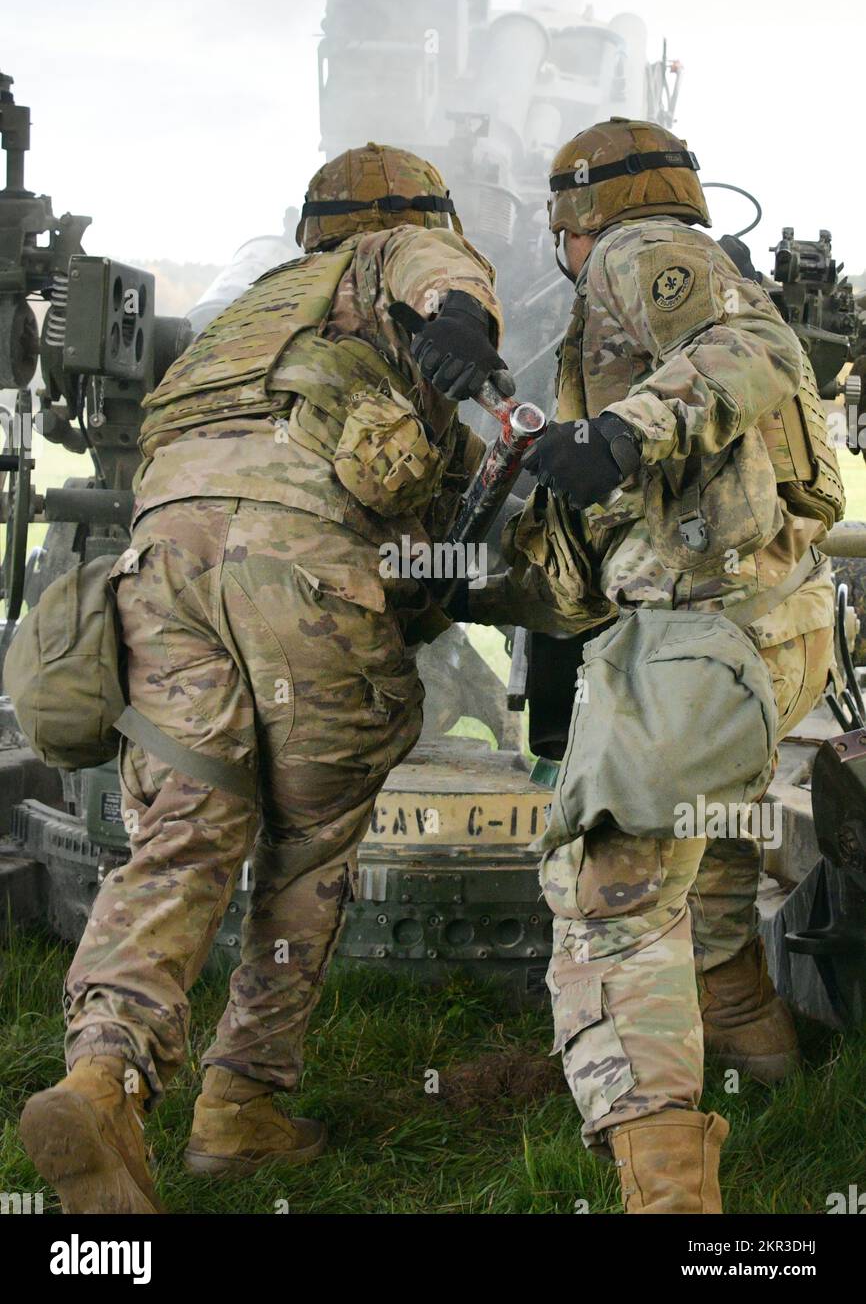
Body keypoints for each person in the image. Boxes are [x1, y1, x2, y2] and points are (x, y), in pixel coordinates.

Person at [19, 142, 508, 1213]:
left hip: (160, 569)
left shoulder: (244, 312)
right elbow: (442, 282)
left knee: (181, 828)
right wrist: (465, 323)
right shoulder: (398, 248)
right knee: (305, 846)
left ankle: (102, 1078)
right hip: (300, 569)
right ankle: (238, 1105)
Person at [467, 117, 843, 1213]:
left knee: (612, 890)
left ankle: (667, 1202)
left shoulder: (636, 253)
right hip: (768, 628)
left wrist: (617, 433)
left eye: (553, 220)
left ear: (579, 214)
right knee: (708, 840)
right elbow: (596, 557)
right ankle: (748, 1037)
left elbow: (762, 356)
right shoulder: (636, 301)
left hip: (703, 635)